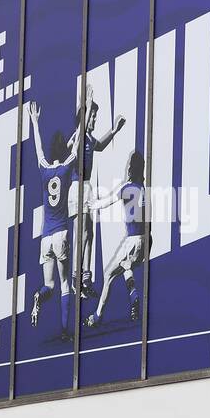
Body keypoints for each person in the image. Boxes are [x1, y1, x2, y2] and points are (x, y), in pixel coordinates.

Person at [27, 100, 85, 342]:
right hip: (61, 233)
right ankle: (64, 330)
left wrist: (34, 122)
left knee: (48, 285)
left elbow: (38, 150)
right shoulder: (64, 170)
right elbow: (77, 145)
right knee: (64, 285)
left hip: (45, 237)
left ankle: (39, 296)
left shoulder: (45, 169)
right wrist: (85, 114)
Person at [69, 93, 127, 298]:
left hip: (87, 188)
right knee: (81, 233)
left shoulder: (89, 139)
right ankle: (77, 277)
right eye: (92, 116)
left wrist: (114, 130)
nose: (94, 119)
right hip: (77, 188)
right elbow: (72, 146)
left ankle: (85, 276)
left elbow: (99, 146)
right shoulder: (77, 136)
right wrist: (88, 102)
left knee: (89, 234)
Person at [85, 150, 146, 328]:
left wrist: (92, 204)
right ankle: (134, 296)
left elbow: (107, 202)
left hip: (132, 240)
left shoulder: (126, 188)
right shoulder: (142, 188)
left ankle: (97, 316)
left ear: (129, 169)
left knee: (108, 274)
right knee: (126, 266)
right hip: (143, 239)